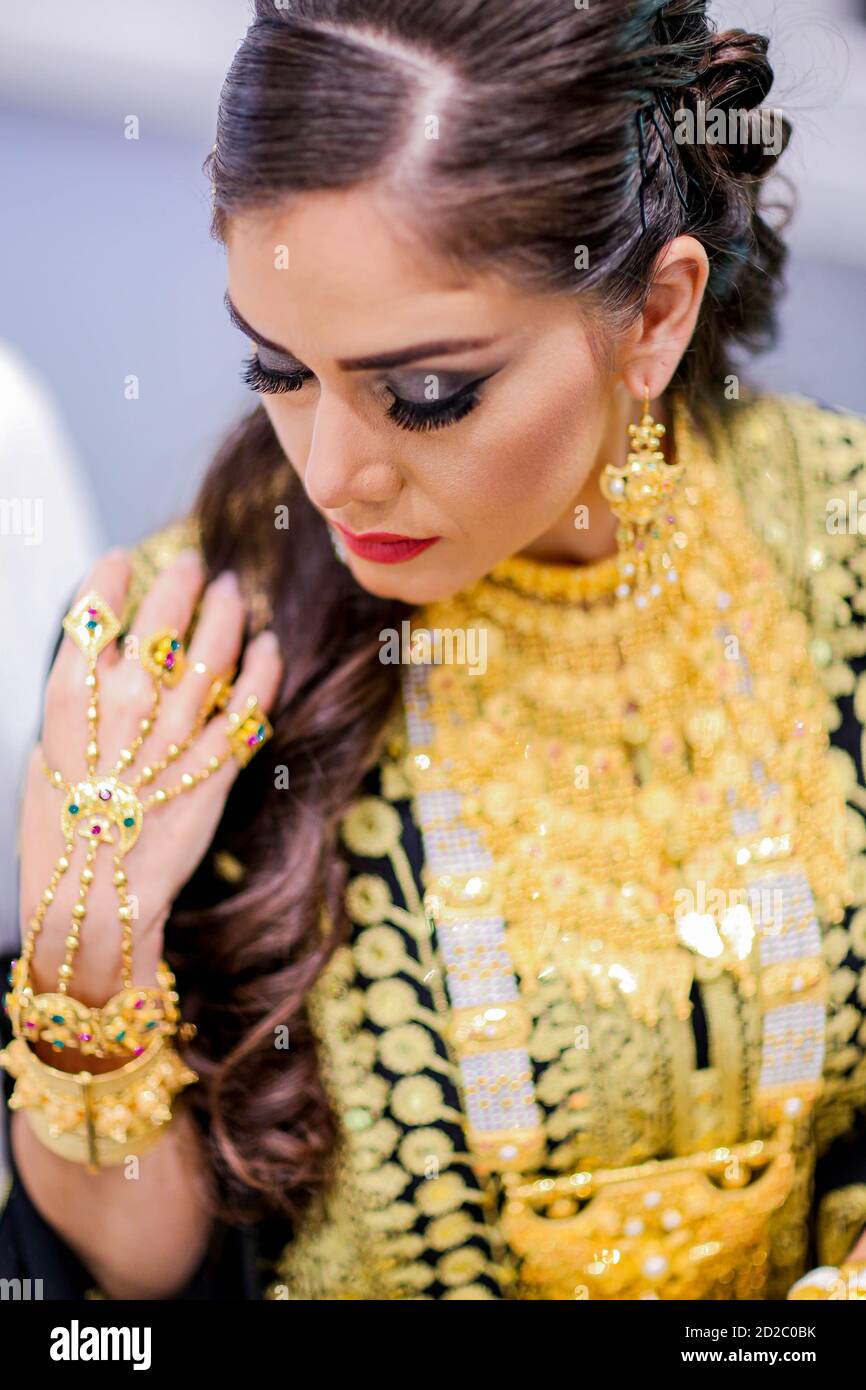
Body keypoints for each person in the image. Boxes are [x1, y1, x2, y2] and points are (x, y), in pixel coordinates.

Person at [2, 0, 866, 1302]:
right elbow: (133, 1294)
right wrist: (85, 948)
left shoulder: (836, 543)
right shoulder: (188, 668)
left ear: (656, 315)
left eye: (424, 395)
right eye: (275, 369)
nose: (334, 474)